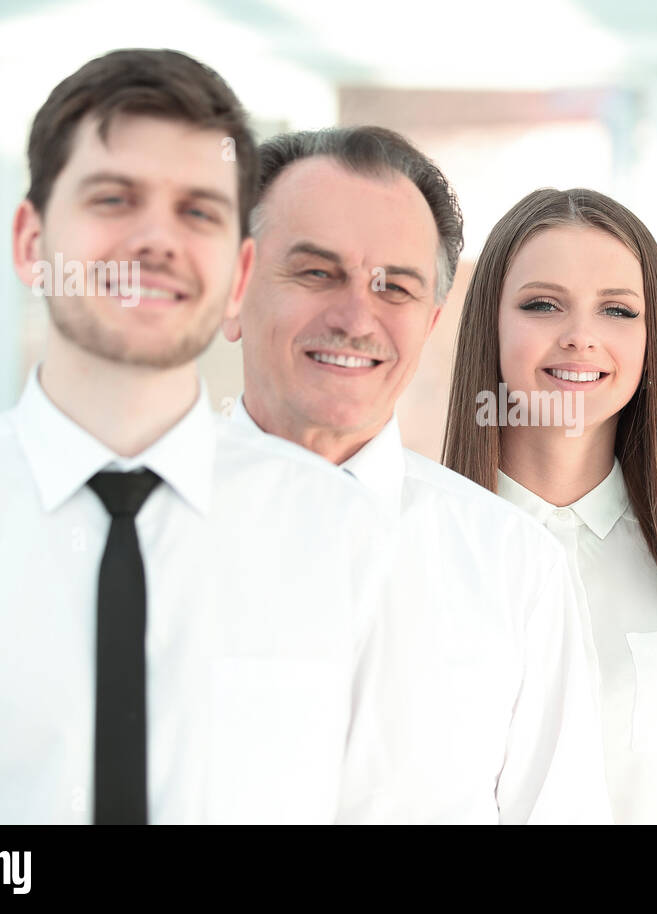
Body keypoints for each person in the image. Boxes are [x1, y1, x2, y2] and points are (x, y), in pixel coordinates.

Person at [0, 49, 386, 824]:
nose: (158, 239)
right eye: (115, 199)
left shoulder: (343, 538)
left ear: (240, 275)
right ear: (29, 241)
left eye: (198, 212)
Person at [221, 128, 612, 824]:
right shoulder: (127, 525)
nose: (354, 318)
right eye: (316, 273)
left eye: (393, 287)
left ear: (431, 321)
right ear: (232, 292)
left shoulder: (514, 566)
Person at [442, 187, 657, 825]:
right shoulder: (417, 551)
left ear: (650, 337)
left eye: (617, 310)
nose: (581, 338)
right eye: (542, 305)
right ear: (487, 324)